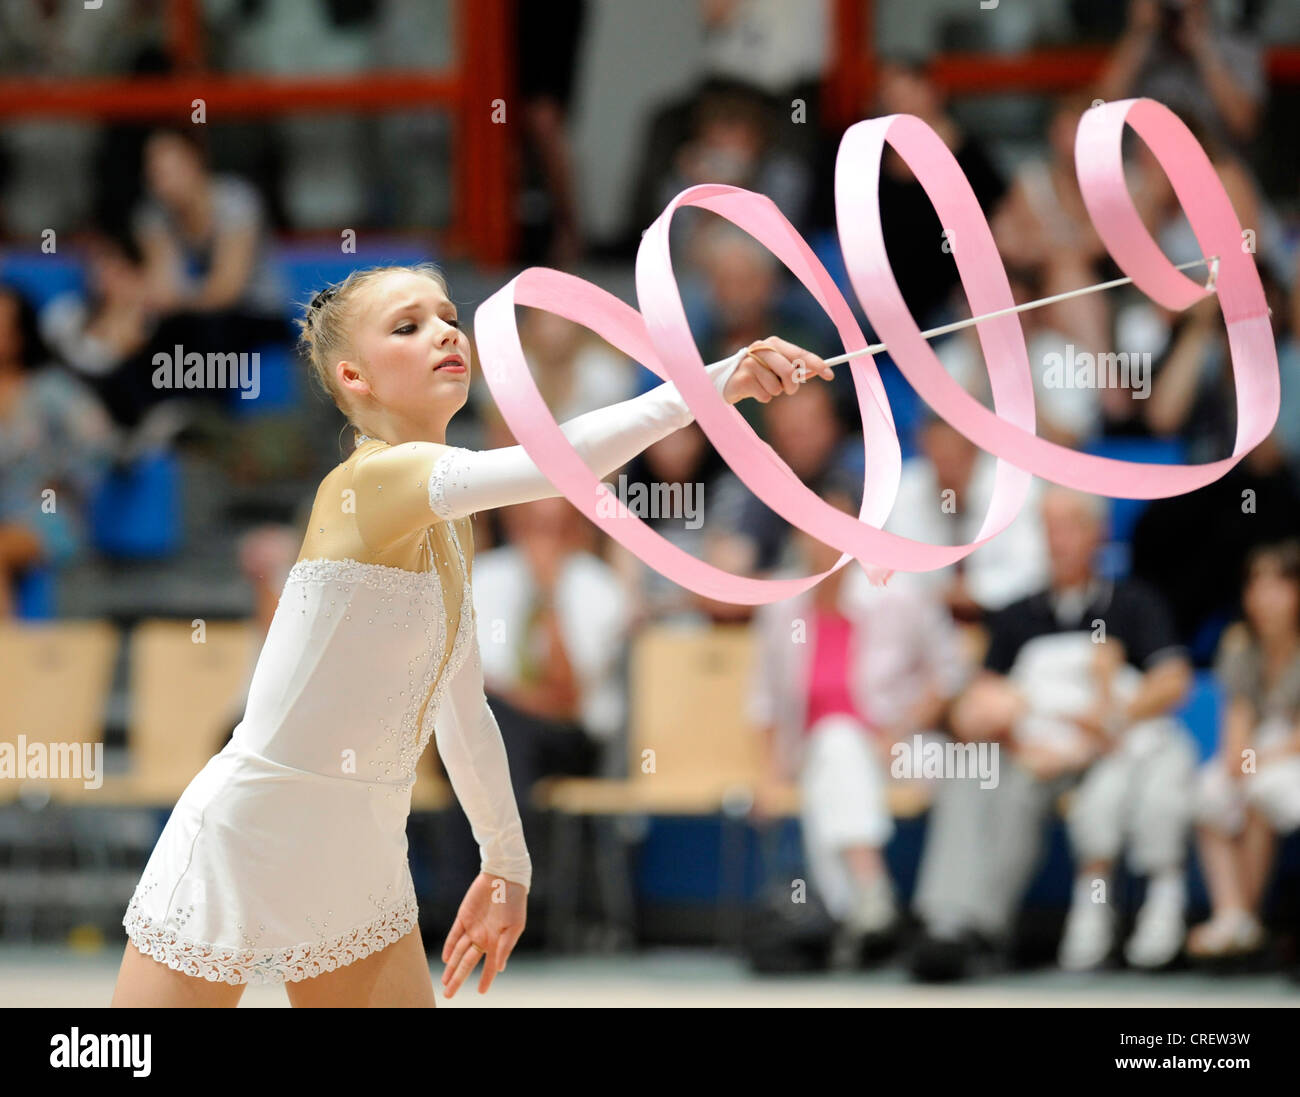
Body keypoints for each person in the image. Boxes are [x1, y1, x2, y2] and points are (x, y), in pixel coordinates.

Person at [110, 262, 834, 1007]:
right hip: (252, 832)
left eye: (447, 315)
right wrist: (716, 383)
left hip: (361, 849)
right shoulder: (373, 482)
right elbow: (563, 463)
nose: (444, 332)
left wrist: (506, 863)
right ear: (354, 376)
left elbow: (463, 710)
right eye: (408, 325)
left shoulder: (452, 529)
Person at [910, 486, 1195, 981]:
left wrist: (1108, 722)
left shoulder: (1132, 604)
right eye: (1048, 528)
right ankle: (954, 924)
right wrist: (1009, 734)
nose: (1056, 540)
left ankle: (992, 928)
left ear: (1098, 534)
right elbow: (980, 703)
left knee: (1054, 788)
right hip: (1032, 753)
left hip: (1109, 755)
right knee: (975, 770)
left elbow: (1172, 680)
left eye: (1068, 527)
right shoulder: (1018, 614)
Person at [749, 470, 968, 966]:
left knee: (837, 754)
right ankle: (869, 899)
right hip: (816, 753)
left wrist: (900, 729)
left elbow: (949, 673)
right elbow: (763, 701)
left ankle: (855, 916)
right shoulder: (780, 608)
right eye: (810, 526)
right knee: (835, 743)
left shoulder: (899, 592)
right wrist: (766, 774)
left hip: (902, 747)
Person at [1187, 540, 1300, 959]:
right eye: (1256, 586)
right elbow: (1237, 719)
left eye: (1277, 587)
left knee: (1261, 794)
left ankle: (1246, 920)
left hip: (1287, 758)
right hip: (1263, 751)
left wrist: (1256, 764)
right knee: (1210, 791)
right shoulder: (1239, 644)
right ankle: (1233, 915)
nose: (1264, 600)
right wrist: (1239, 760)